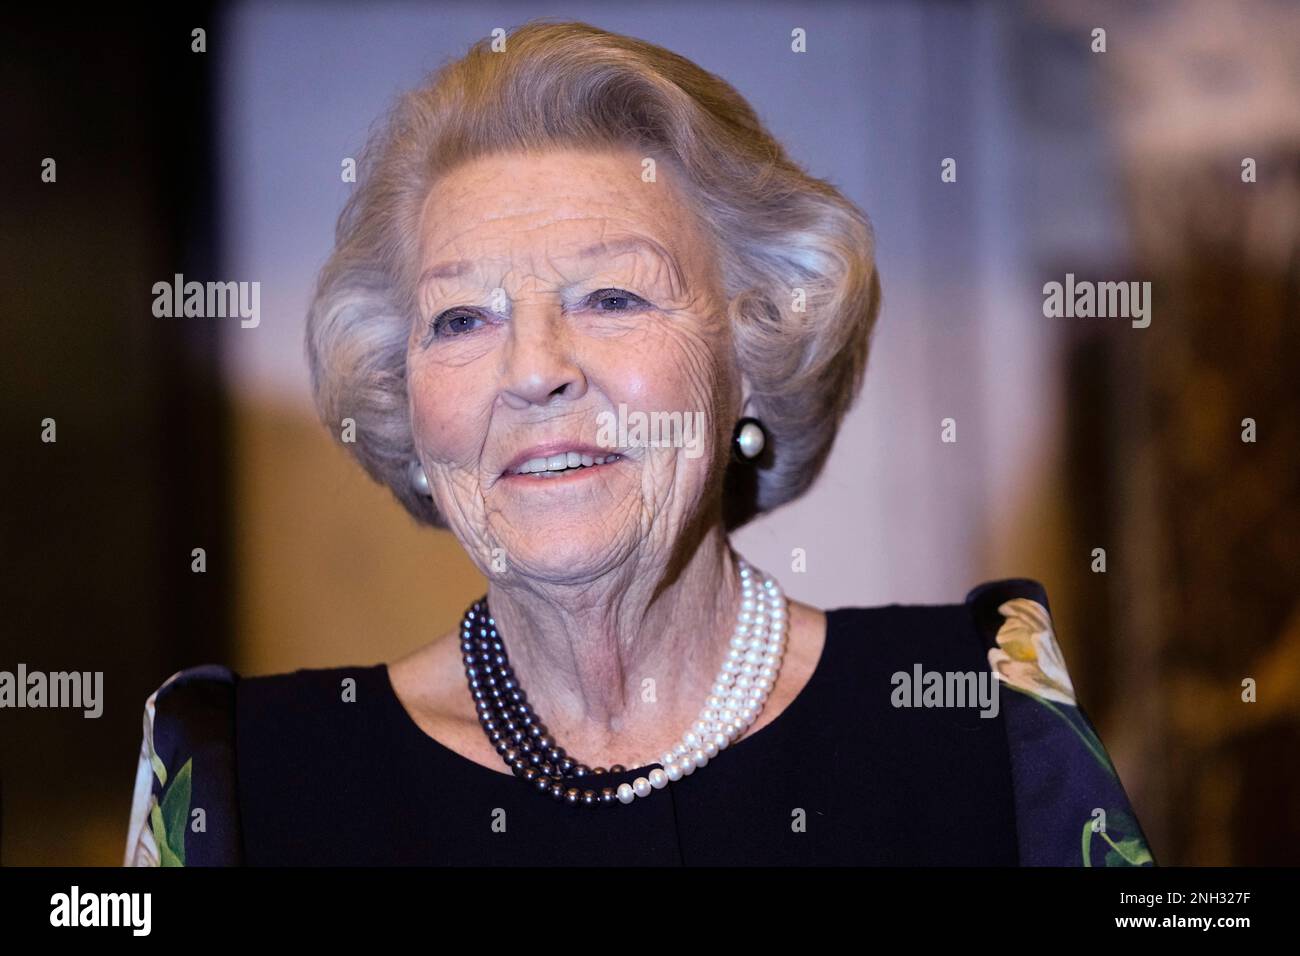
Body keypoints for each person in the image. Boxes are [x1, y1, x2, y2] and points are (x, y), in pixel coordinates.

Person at [124, 20, 1153, 867]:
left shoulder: (980, 716)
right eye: (460, 319)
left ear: (752, 350)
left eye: (612, 296)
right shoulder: (242, 786)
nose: (533, 369)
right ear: (403, 400)